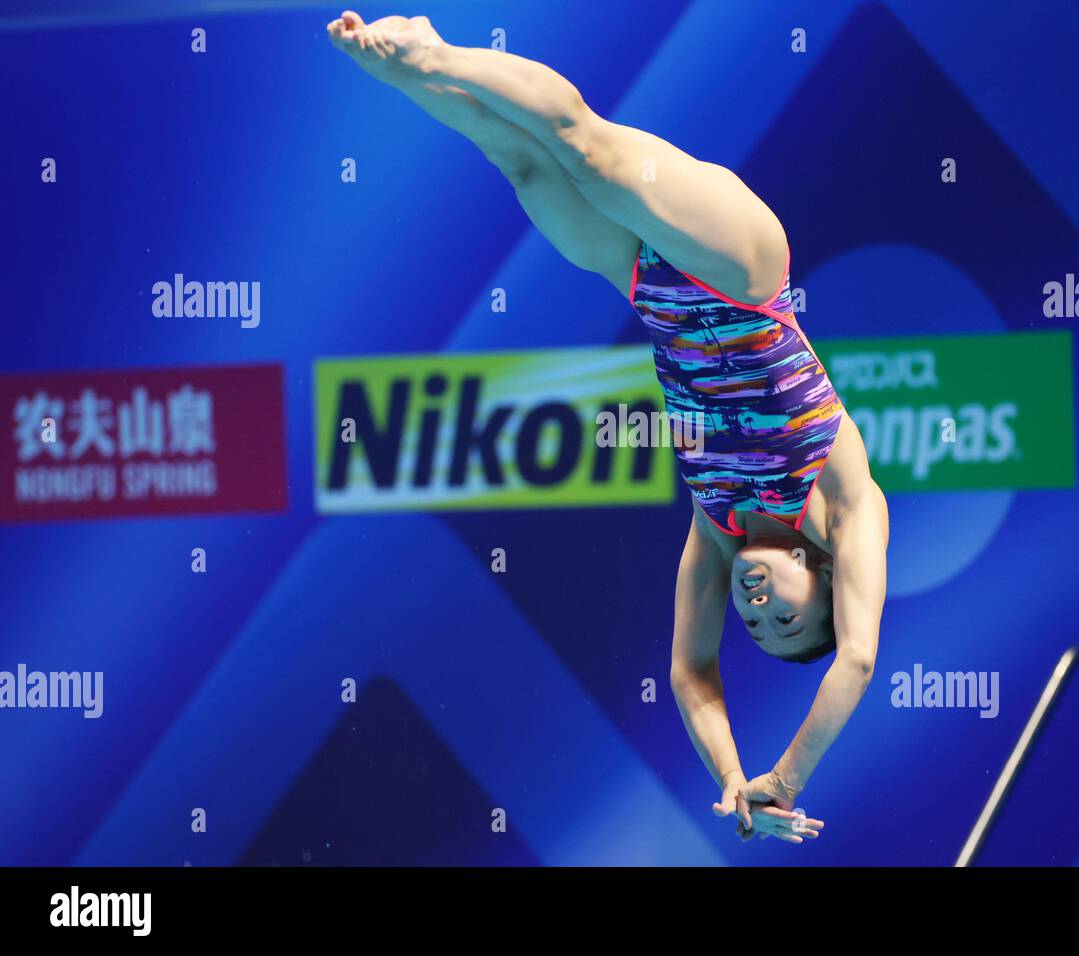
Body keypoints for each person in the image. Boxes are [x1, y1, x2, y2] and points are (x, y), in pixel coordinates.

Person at [327, 11, 889, 845]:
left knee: (520, 159)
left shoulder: (716, 527)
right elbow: (858, 660)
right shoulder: (847, 502)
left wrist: (735, 781)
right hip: (742, 269)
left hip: (653, 293)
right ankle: (432, 53)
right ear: (823, 579)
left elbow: (690, 672)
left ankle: (407, 68)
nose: (759, 610)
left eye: (756, 630)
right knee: (589, 154)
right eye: (788, 619)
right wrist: (792, 773)